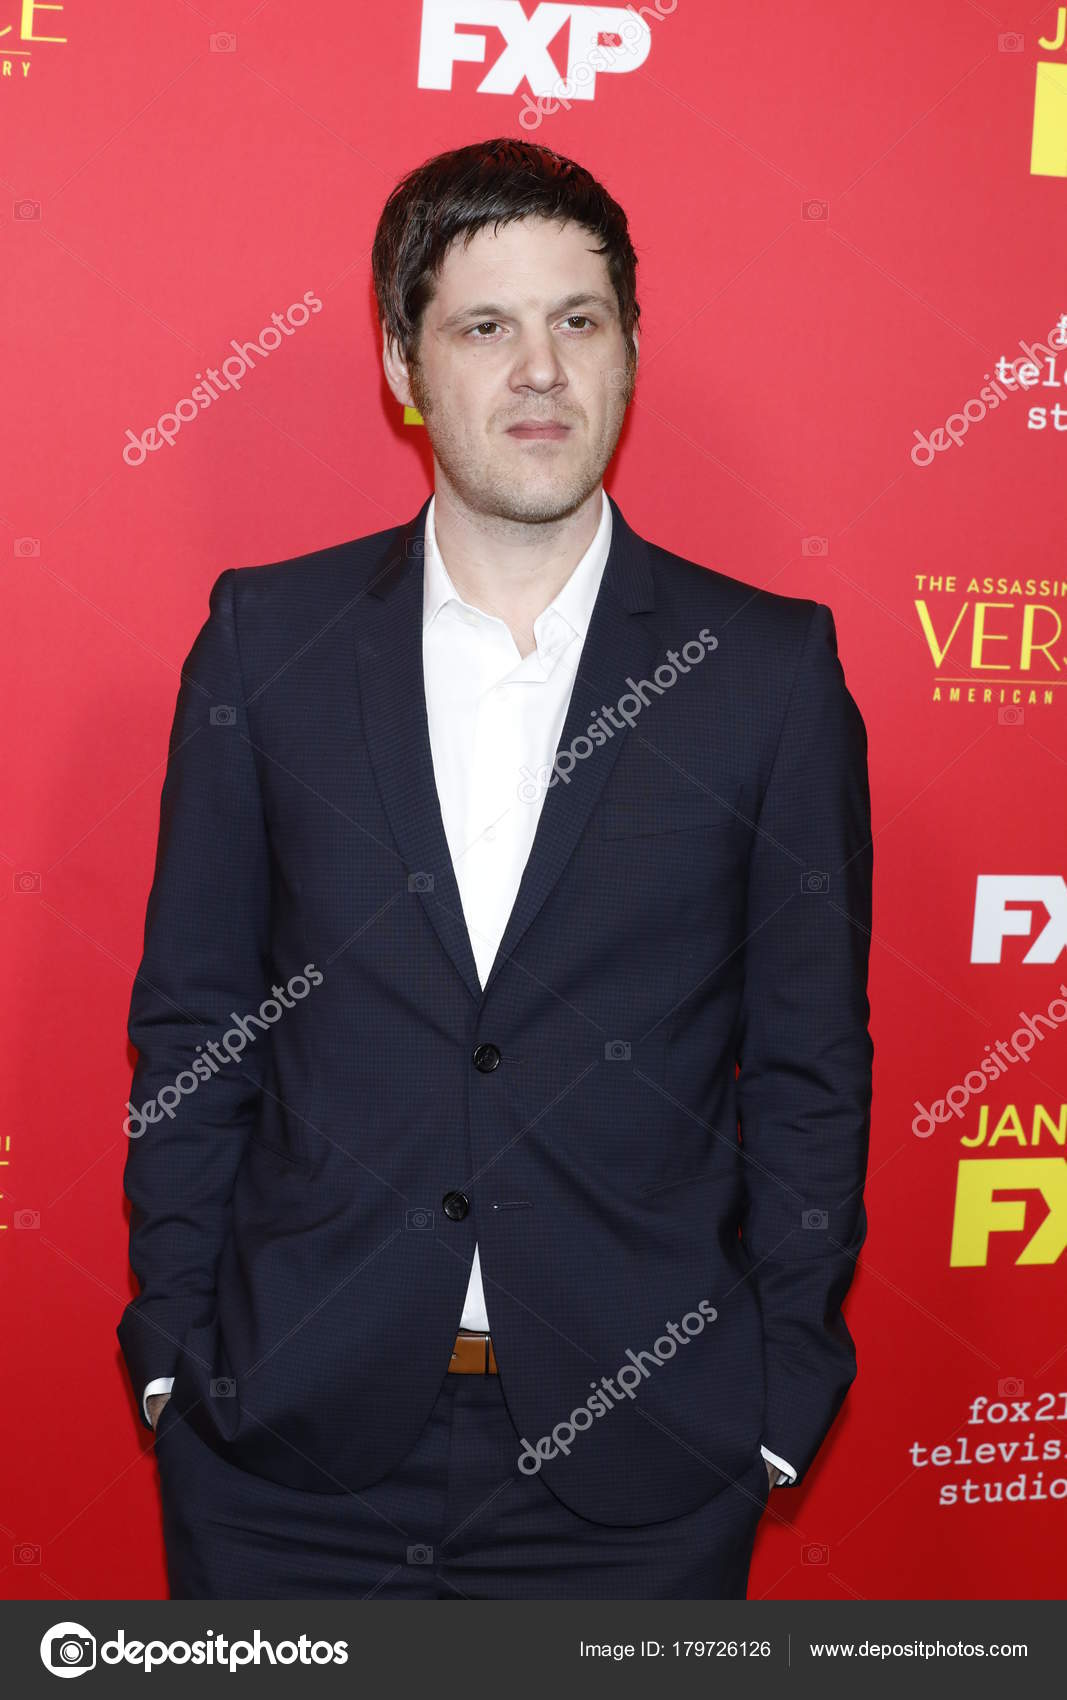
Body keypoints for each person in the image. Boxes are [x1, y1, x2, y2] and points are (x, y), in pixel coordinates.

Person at [117, 136, 873, 1600]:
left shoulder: (767, 673)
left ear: (630, 354)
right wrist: (175, 1352)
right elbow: (196, 1025)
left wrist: (774, 1402)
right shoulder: (268, 645)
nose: (540, 369)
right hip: (283, 1457)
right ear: (404, 368)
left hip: (646, 1475)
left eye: (578, 321)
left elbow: (808, 1066)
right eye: (485, 326)